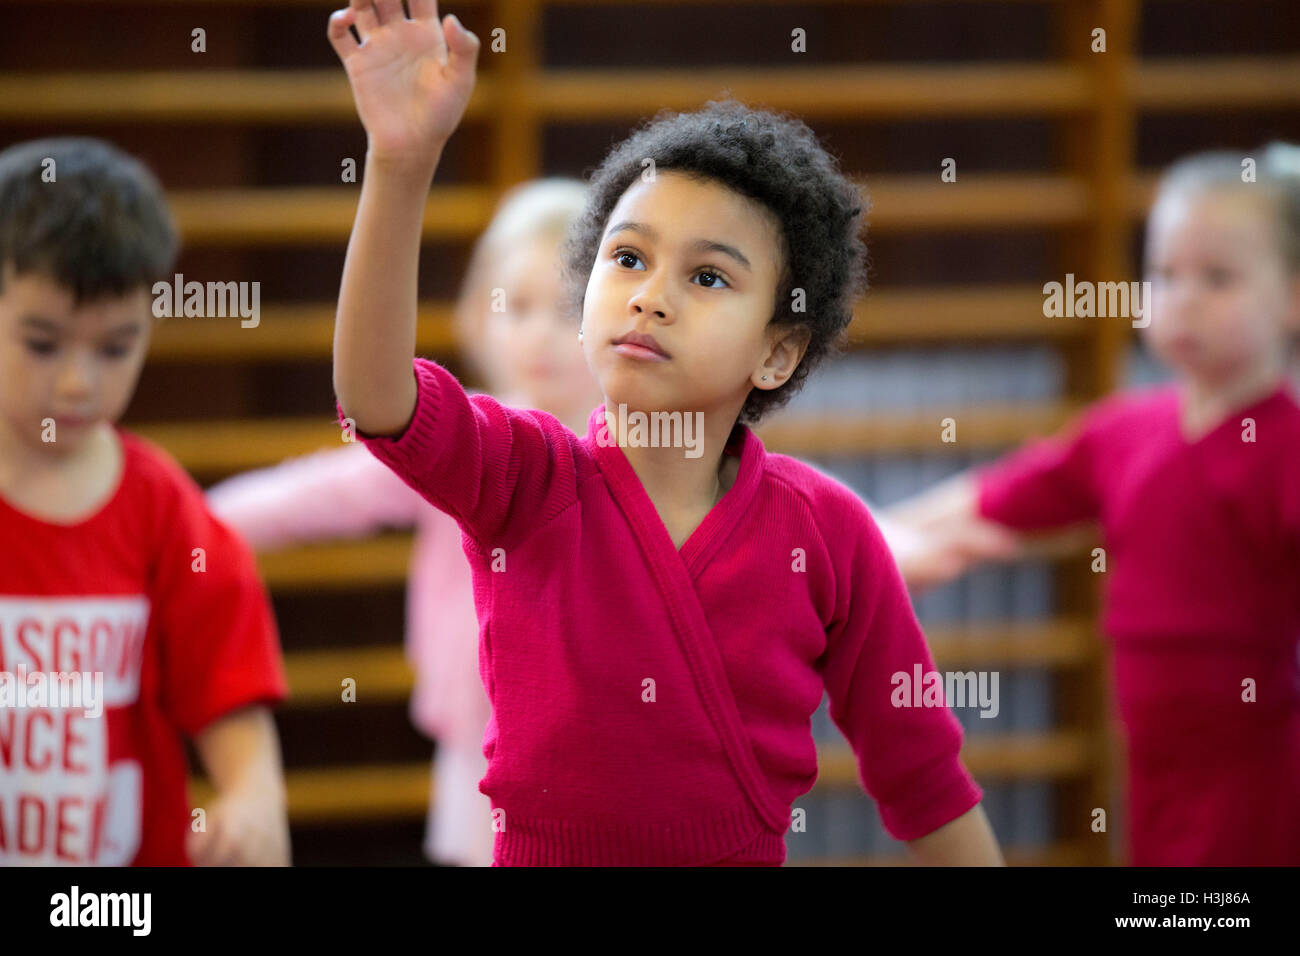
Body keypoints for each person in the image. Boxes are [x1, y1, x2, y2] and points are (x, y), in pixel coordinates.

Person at [325, 0, 1001, 866]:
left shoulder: (827, 533)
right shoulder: (526, 477)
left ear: (778, 350)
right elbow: (377, 396)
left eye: (710, 275)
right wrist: (400, 160)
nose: (650, 295)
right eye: (629, 257)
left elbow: (927, 781)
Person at [886, 143, 1300, 865]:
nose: (1184, 299)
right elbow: (994, 497)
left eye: (1219, 278)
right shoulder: (1124, 433)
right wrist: (871, 537)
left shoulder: (1285, 448)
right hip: (1152, 760)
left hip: (1261, 761)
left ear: (1294, 294)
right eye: (1165, 274)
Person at [206, 178, 600, 866]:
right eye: (520, 307)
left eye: (570, 311)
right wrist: (189, 526)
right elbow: (321, 494)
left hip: (598, 744)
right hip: (478, 738)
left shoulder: (637, 452)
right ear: (480, 318)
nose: (542, 335)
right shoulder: (460, 437)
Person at [0, 137, 290, 866]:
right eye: (41, 344)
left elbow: (231, 695)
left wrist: (252, 798)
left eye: (114, 348)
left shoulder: (164, 510)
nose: (77, 384)